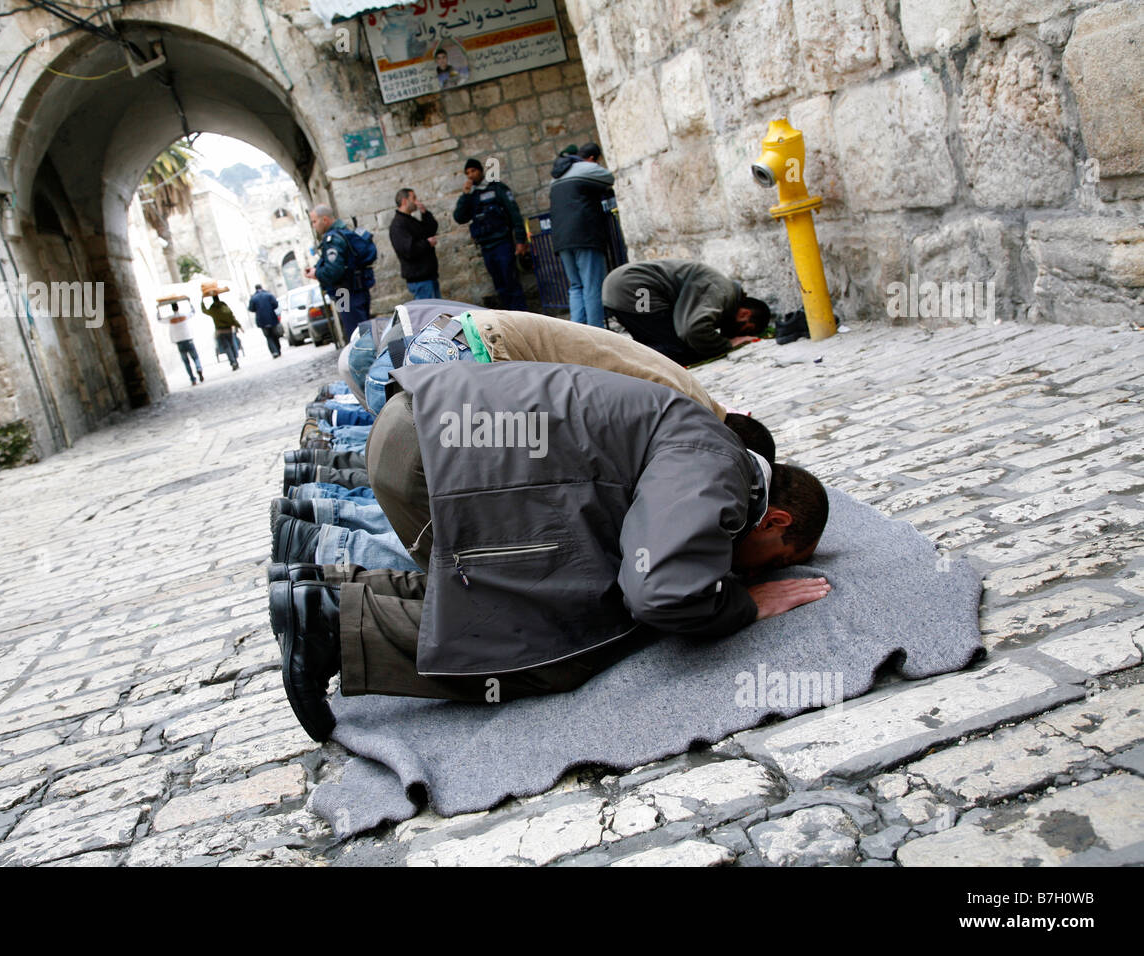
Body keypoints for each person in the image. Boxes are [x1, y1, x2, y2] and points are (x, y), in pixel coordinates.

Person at [270, 360, 830, 740]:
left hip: (416, 426)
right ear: (774, 519)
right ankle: (332, 630)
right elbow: (660, 592)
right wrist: (744, 604)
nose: (772, 569)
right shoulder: (716, 465)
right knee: (553, 643)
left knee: (484, 594)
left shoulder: (699, 439)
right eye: (779, 557)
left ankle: (326, 598)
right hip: (438, 459)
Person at [602, 259, 771, 367]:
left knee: (658, 343)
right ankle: (616, 362)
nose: (742, 334)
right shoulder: (722, 292)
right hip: (636, 289)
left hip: (625, 288)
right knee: (679, 350)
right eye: (747, 330)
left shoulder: (721, 289)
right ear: (744, 314)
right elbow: (692, 330)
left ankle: (620, 362)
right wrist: (729, 344)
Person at [548, 143, 615, 328]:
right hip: (585, 234)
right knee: (592, 285)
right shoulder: (587, 168)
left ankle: (576, 331)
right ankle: (596, 333)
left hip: (562, 239)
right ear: (593, 158)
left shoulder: (555, 178)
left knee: (576, 286)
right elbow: (609, 178)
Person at [453, 158, 528, 310]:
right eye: (468, 173)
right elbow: (459, 217)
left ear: (480, 171)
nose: (471, 176)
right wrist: (465, 195)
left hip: (503, 244)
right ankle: (509, 320)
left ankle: (521, 316)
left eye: (473, 171)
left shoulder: (497, 188)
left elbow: (514, 214)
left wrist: (520, 240)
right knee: (500, 286)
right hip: (487, 247)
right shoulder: (471, 195)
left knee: (511, 282)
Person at [305, 204, 372, 342]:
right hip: (355, 288)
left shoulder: (333, 239)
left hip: (344, 292)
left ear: (325, 220)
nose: (313, 226)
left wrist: (316, 274)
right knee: (362, 330)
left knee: (356, 335)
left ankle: (363, 363)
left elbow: (333, 270)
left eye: (314, 221)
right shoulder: (345, 231)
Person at [389, 189, 440, 300]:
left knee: (437, 313)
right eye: (414, 198)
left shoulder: (410, 220)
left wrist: (425, 213)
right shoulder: (398, 224)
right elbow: (408, 250)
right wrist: (427, 244)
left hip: (428, 277)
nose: (416, 201)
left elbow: (430, 230)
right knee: (429, 315)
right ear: (404, 201)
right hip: (420, 280)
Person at [164, 300, 204, 385]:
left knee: (186, 362)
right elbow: (193, 312)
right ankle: (199, 368)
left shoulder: (170, 319)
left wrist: (157, 310)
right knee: (195, 357)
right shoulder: (185, 315)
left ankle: (192, 379)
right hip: (188, 339)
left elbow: (160, 319)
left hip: (179, 342)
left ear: (172, 309)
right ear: (178, 307)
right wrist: (190, 303)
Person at [203, 294, 242, 371]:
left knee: (227, 347)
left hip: (220, 331)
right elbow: (232, 318)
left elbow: (204, 310)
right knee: (232, 345)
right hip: (229, 330)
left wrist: (202, 301)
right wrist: (238, 325)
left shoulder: (213, 309)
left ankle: (233, 362)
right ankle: (235, 360)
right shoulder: (225, 307)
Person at [248, 283, 283, 358]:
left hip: (262, 321)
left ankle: (274, 352)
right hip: (272, 318)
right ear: (261, 287)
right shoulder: (269, 295)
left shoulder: (253, 298)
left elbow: (251, 309)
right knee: (275, 335)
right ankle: (278, 350)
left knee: (268, 336)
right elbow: (276, 304)